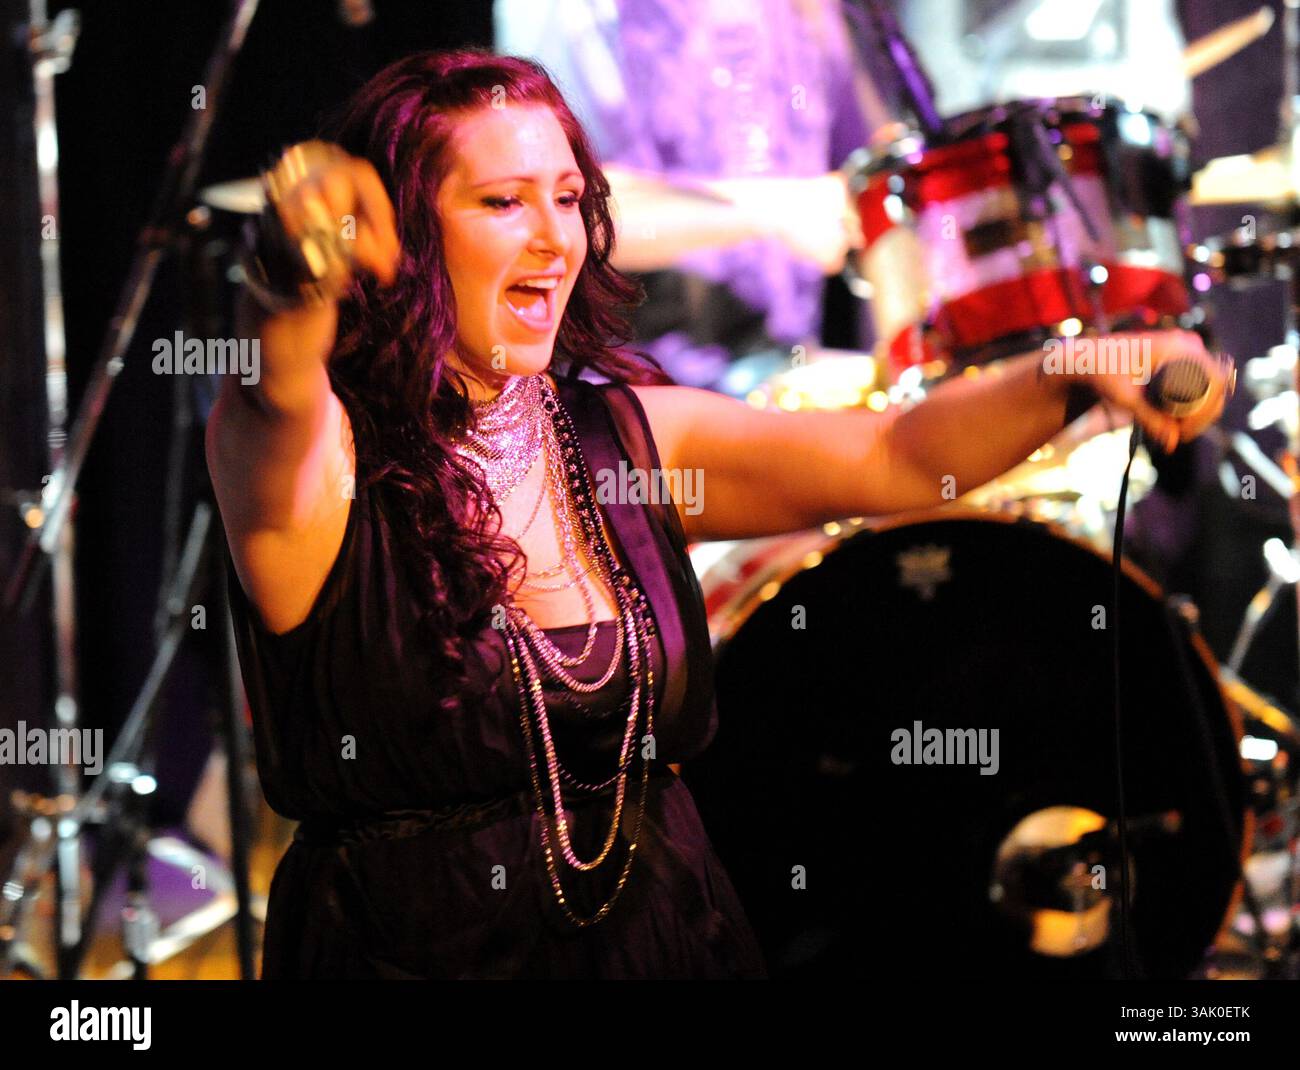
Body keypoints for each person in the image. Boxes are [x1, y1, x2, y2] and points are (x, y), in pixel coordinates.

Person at [206, 49, 1228, 979]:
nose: (553, 238)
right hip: (407, 956)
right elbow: (274, 382)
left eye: (567, 198)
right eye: (502, 202)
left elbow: (897, 454)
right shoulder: (325, 457)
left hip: (665, 940)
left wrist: (1077, 366)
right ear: (404, 233)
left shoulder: (629, 442)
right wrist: (287, 276)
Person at [494, 0, 889, 391]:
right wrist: (771, 212)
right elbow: (568, 210)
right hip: (632, 400)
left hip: (786, 379)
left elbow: (880, 177)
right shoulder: (573, 11)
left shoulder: (811, 10)